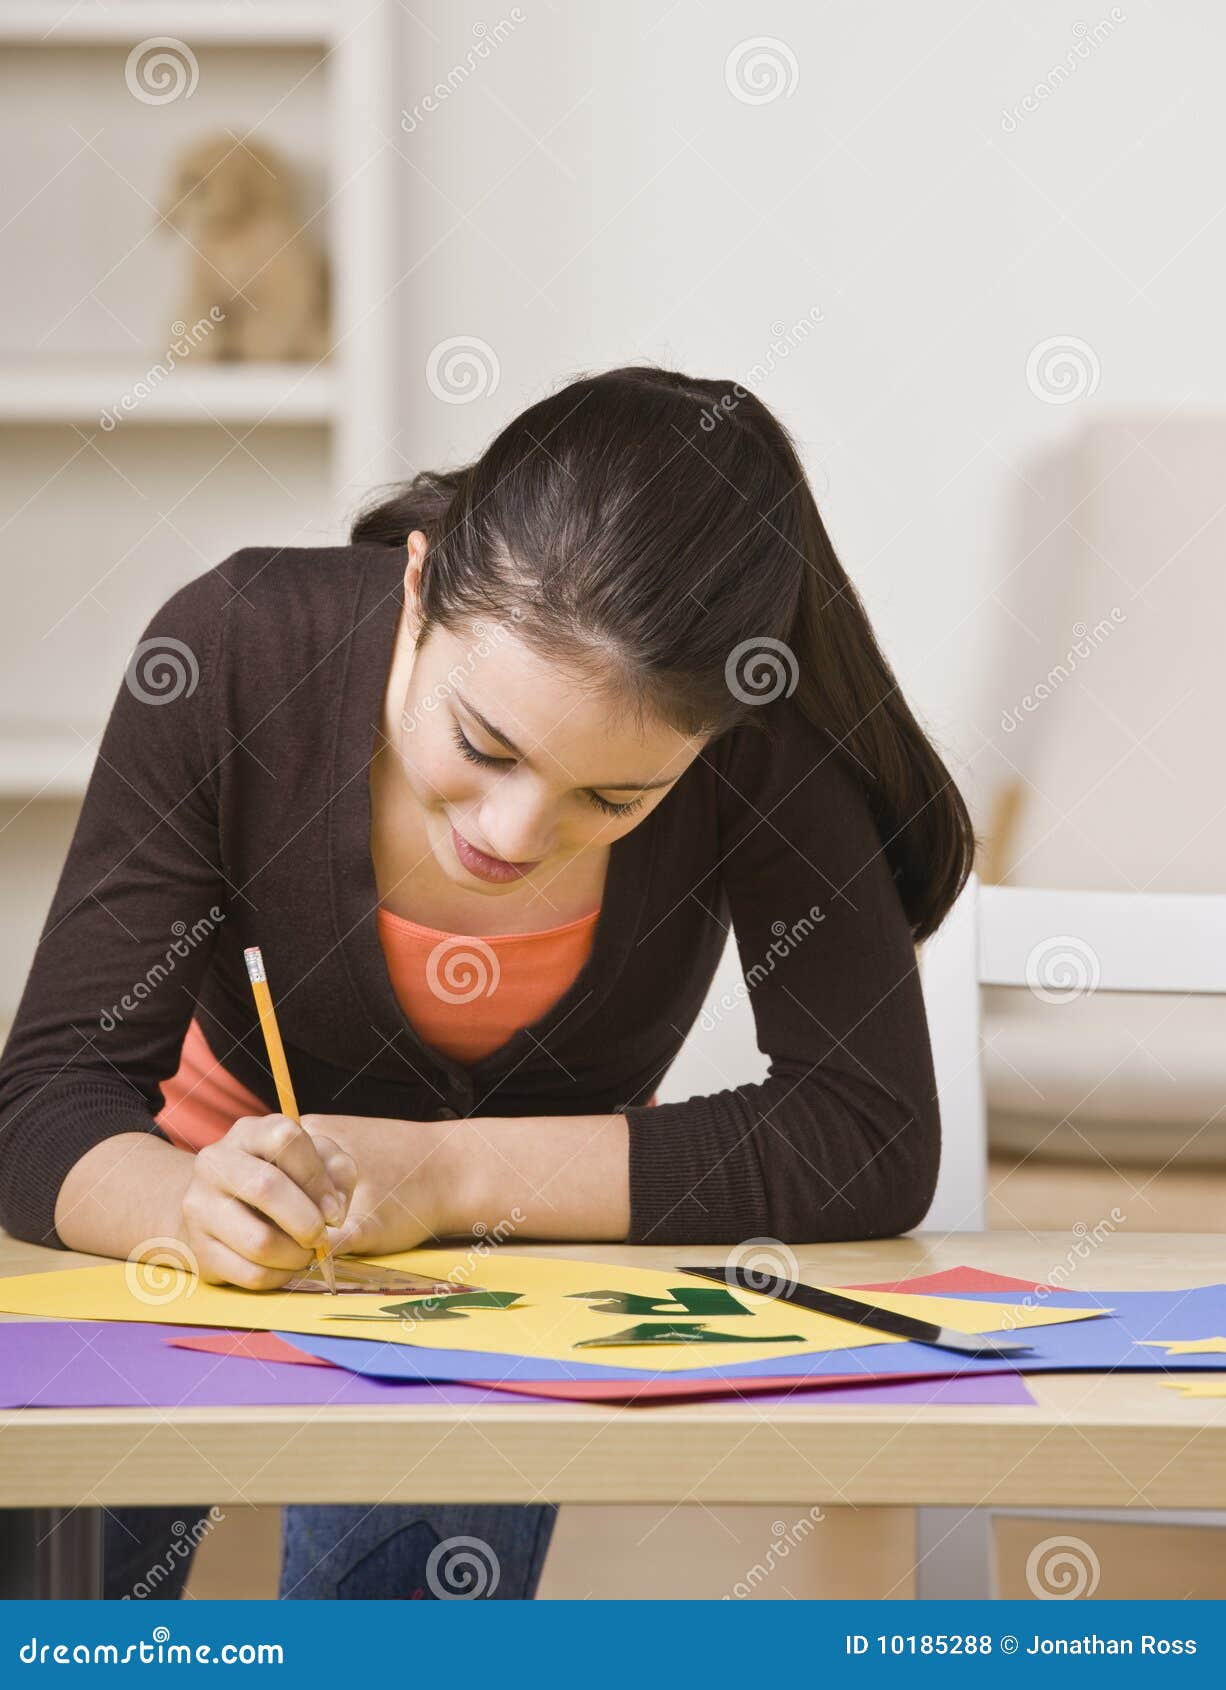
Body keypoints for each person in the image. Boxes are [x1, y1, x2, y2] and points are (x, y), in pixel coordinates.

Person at [0, 365, 973, 1599]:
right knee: (62, 1609)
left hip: (507, 1264)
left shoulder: (747, 729)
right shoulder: (238, 646)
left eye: (611, 800)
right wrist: (190, 1209)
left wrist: (449, 1176)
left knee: (394, 1617)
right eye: (482, 744)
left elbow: (865, 1128)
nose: (512, 835)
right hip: (191, 1198)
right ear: (417, 586)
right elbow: (46, 1101)